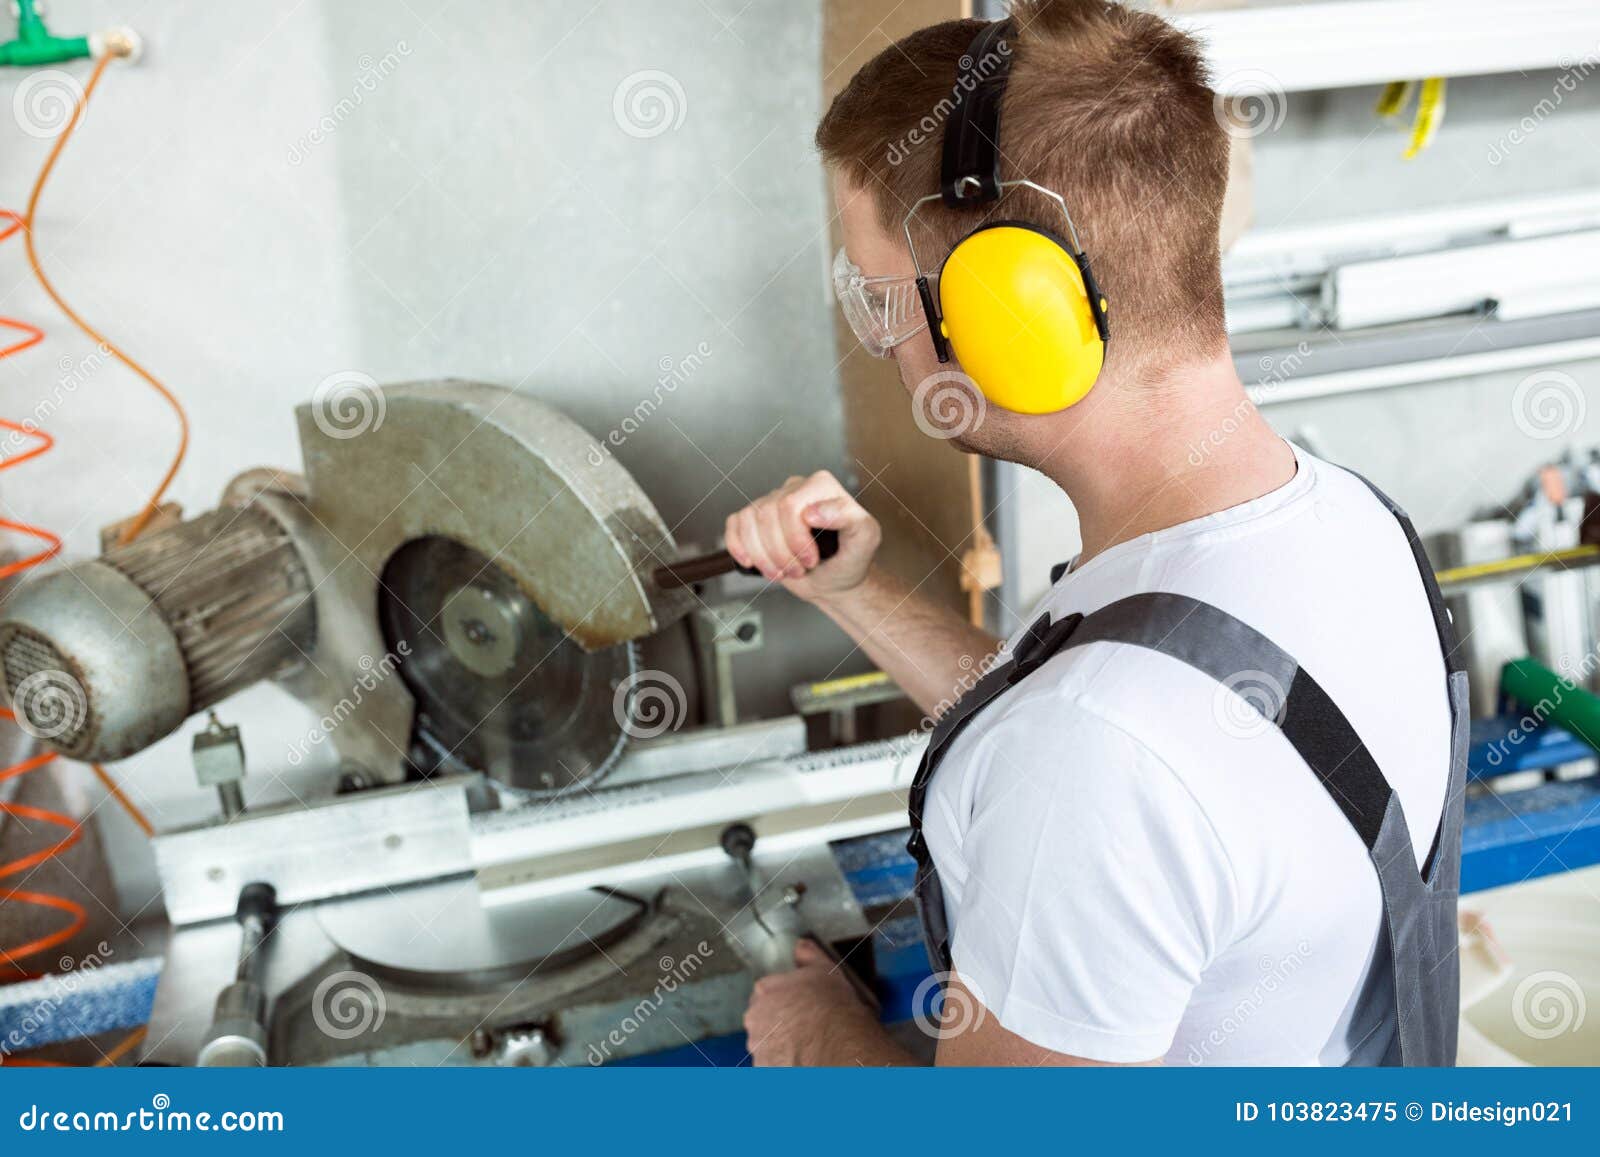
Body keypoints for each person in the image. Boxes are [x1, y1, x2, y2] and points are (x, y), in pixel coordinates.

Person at [729, 0, 1461, 1067]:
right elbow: (1116, 708)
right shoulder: (1347, 517)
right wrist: (853, 591)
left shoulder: (1096, 756)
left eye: (878, 297)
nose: (886, 340)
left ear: (1002, 310)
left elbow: (1098, 753)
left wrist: (818, 1040)